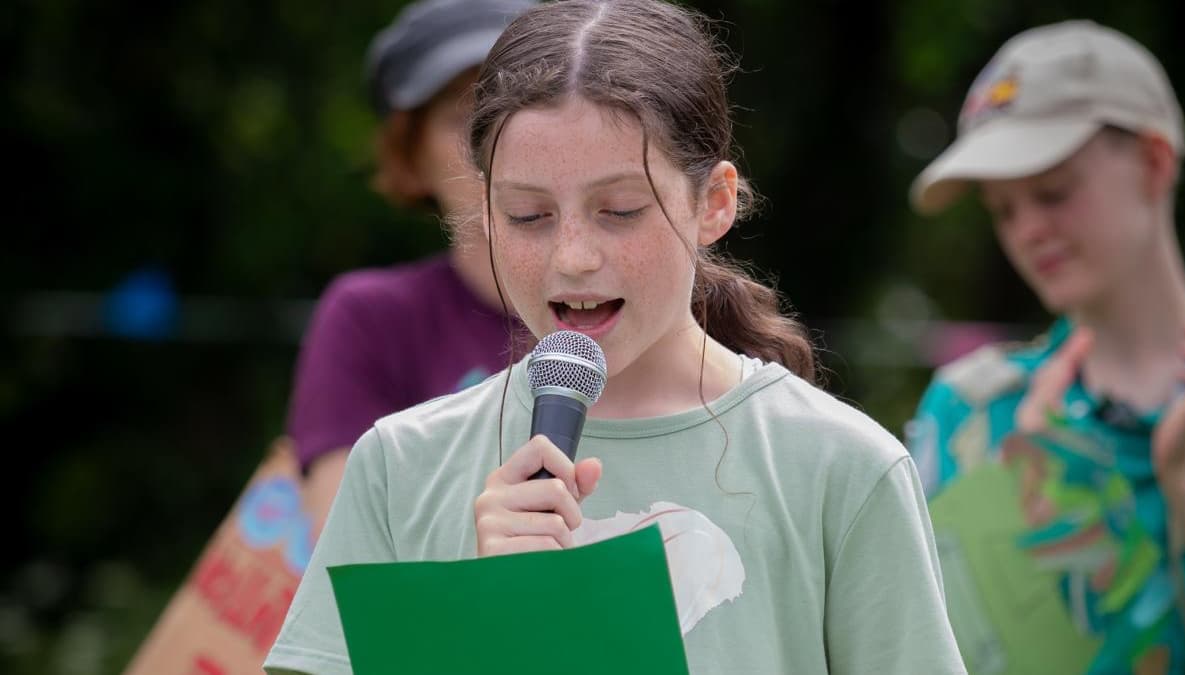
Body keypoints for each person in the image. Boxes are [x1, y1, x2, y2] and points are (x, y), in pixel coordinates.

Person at [266, 1, 965, 673]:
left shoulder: (843, 468)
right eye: (529, 215)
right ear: (483, 211)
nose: (572, 255)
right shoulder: (400, 465)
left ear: (714, 202)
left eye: (621, 209)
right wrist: (477, 618)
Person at [907, 20, 1185, 674]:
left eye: (1053, 191)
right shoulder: (973, 416)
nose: (1028, 230)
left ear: (1154, 162)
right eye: (1002, 209)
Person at [286, 0, 536, 529]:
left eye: (517, 105)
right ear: (411, 157)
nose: (493, 139)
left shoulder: (663, 308)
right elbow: (350, 548)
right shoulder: (372, 318)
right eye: (463, 115)